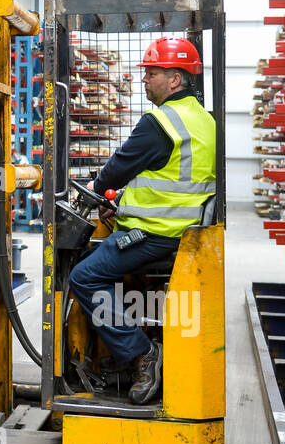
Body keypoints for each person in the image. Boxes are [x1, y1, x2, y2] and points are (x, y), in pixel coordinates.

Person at [67, 37, 216, 405]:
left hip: (155, 233)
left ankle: (140, 354)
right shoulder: (205, 120)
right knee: (93, 264)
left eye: (152, 73)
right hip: (183, 229)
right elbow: (164, 176)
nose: (145, 79)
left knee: (83, 277)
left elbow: (119, 165)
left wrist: (99, 190)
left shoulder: (160, 122)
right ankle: (114, 352)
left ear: (175, 80)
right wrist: (120, 203)